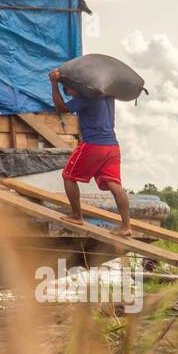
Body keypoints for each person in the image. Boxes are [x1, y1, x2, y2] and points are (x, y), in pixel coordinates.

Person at [50, 69, 131, 237]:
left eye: (69, 90)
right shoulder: (108, 95)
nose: (70, 95)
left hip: (94, 144)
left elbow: (61, 108)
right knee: (115, 185)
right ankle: (126, 226)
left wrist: (54, 83)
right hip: (112, 146)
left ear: (76, 86)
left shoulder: (86, 97)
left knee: (68, 176)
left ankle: (76, 216)